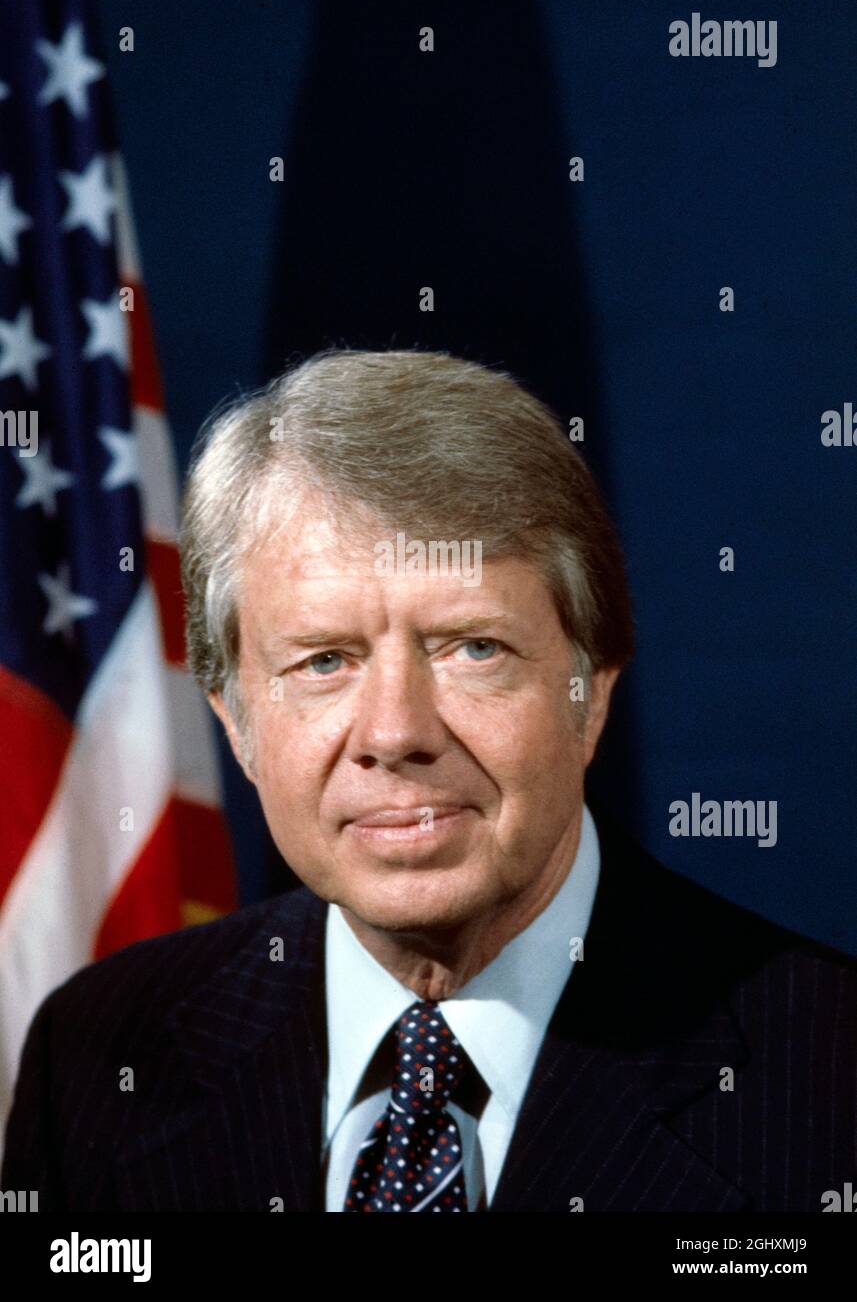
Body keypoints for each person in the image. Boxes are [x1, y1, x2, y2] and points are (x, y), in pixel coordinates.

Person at [2, 349, 855, 1212]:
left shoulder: (827, 1081)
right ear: (234, 719)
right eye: (324, 661)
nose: (394, 732)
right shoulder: (98, 1055)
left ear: (589, 691)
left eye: (471, 648)